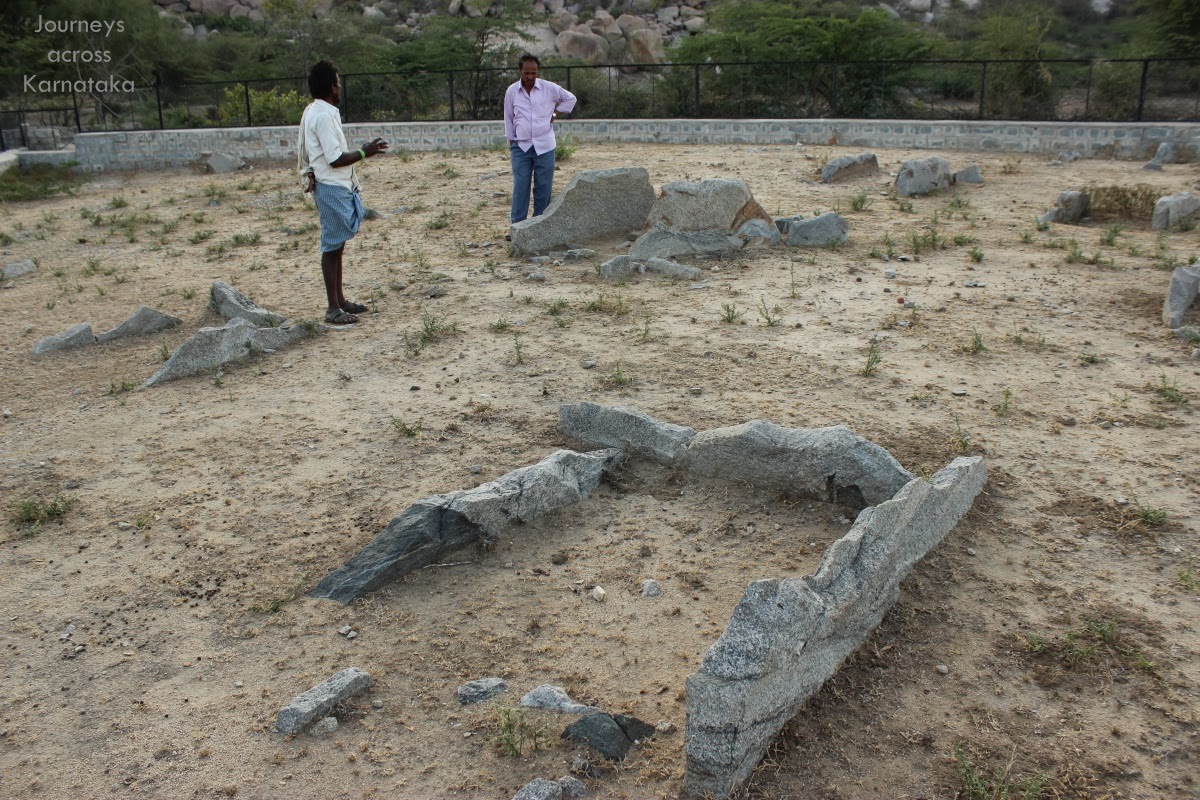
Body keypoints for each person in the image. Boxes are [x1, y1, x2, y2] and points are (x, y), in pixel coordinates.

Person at [297, 59, 388, 325]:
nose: (339, 86)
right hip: (332, 186)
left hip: (334, 184)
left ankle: (339, 301)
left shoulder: (317, 111)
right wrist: (364, 152)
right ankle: (332, 307)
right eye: (337, 82)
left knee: (337, 246)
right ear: (331, 87)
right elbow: (335, 158)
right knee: (331, 246)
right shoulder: (323, 116)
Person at [503, 54, 577, 228]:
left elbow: (570, 99)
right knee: (521, 187)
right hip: (521, 146)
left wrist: (555, 114)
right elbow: (508, 117)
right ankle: (518, 227)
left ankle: (539, 226)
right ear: (520, 71)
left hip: (544, 146)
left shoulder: (549, 88)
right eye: (526, 73)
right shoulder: (512, 91)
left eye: (533, 73)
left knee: (543, 187)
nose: (530, 77)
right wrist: (512, 141)